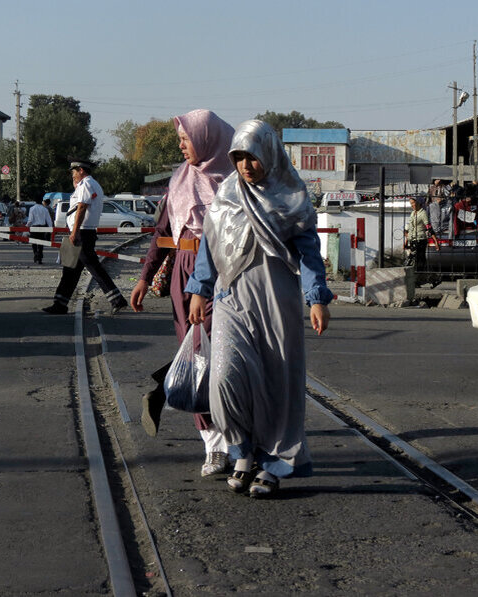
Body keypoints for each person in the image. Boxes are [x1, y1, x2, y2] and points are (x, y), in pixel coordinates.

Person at [187, 120, 333, 498]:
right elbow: (210, 244)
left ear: (268, 154)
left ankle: (272, 462)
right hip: (229, 297)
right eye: (238, 158)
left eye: (252, 157)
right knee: (225, 378)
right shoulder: (227, 194)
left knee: (276, 382)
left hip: (275, 299)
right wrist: (200, 290)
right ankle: (240, 450)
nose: (246, 166)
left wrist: (316, 297)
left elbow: (309, 253)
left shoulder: (292, 195)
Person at [129, 109, 235, 477]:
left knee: (224, 358)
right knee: (195, 353)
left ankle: (166, 391)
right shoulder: (179, 180)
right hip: (184, 278)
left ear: (207, 139)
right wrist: (144, 277)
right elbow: (162, 234)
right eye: (181, 140)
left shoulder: (234, 182)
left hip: (226, 278)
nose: (182, 146)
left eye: (186, 139)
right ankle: (213, 445)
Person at [42, 159, 128, 315]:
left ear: (81, 170)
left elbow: (81, 208)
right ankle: (60, 303)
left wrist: (74, 233)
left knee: (93, 267)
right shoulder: (88, 184)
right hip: (81, 231)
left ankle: (117, 299)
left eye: (73, 172)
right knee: (70, 269)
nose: (72, 176)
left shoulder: (86, 184)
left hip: (81, 232)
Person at [404, 197, 439, 284]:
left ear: (419, 203)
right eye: (411, 203)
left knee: (418, 261)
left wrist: (435, 242)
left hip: (420, 240)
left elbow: (429, 227)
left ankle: (418, 281)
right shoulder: (413, 213)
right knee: (418, 261)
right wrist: (406, 241)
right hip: (413, 240)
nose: (412, 205)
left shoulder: (422, 213)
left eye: (414, 203)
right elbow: (409, 228)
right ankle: (433, 279)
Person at [26, 198, 53, 264]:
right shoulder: (45, 209)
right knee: (41, 243)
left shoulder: (32, 209)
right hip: (42, 228)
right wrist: (50, 229)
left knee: (34, 243)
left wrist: (26, 227)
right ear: (41, 201)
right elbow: (49, 220)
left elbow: (30, 220)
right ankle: (40, 258)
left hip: (34, 228)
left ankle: (35, 254)